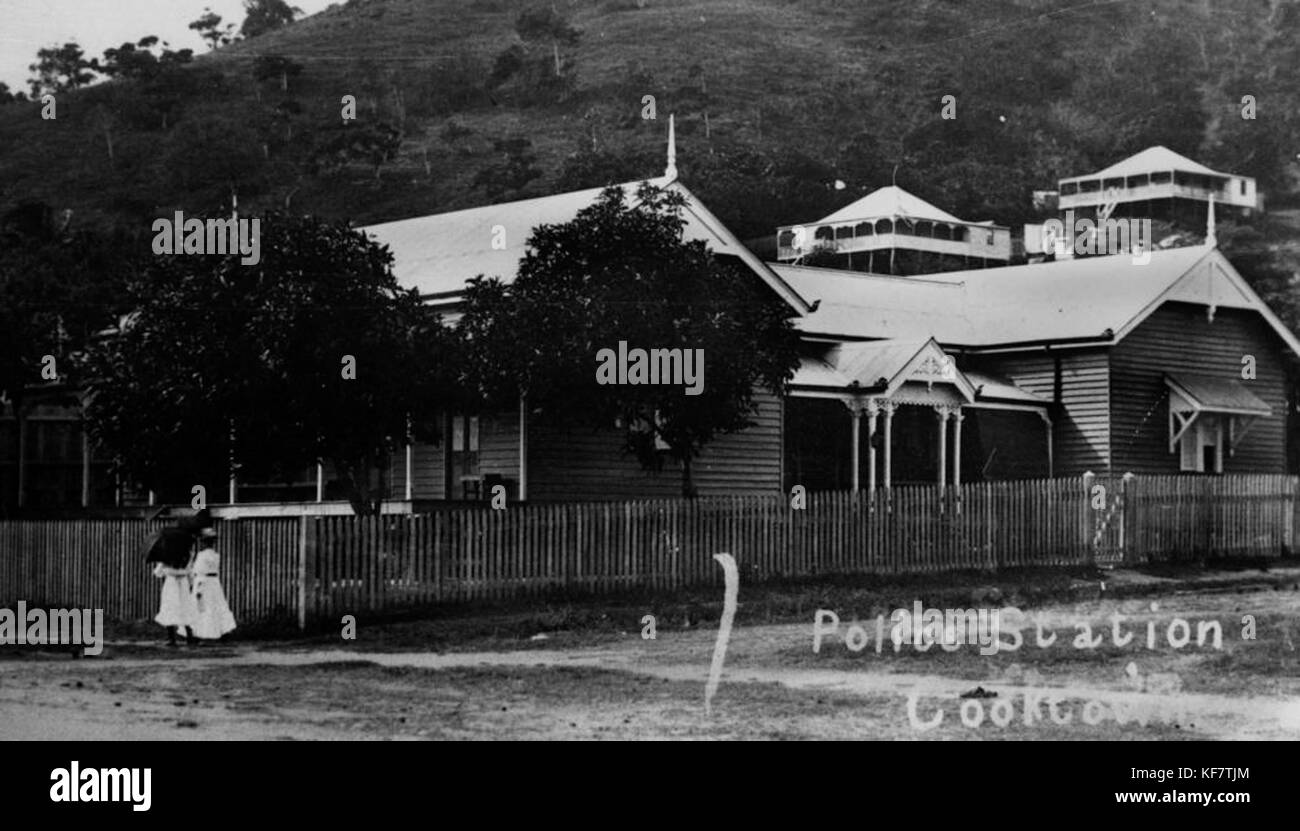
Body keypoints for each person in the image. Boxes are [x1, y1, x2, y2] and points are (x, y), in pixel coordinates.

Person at [148, 526, 199, 646]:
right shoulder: (187, 554)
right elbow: (190, 570)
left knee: (170, 608)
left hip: (171, 584)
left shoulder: (166, 555)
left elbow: (157, 573)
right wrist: (190, 580)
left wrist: (165, 570)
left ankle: (172, 639)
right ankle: (189, 636)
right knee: (185, 607)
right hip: (183, 583)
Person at [190, 527, 236, 641]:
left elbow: (199, 570)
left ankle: (203, 633)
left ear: (204, 542)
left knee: (203, 606)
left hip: (203, 582)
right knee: (217, 605)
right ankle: (222, 630)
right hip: (214, 583)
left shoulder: (201, 555)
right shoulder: (216, 555)